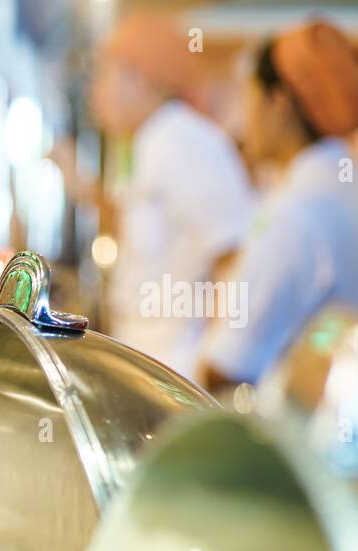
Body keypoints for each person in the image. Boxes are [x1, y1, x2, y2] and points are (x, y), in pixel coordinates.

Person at [200, 21, 358, 390]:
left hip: (292, 444)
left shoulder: (300, 210)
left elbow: (228, 369)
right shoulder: (352, 188)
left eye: (251, 96)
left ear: (279, 103)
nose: (246, 117)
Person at [90, 11, 254, 379]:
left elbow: (233, 257)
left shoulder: (182, 140)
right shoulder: (151, 141)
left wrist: (214, 372)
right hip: (150, 364)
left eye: (107, 72)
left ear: (143, 78)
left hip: (178, 373)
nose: (97, 90)